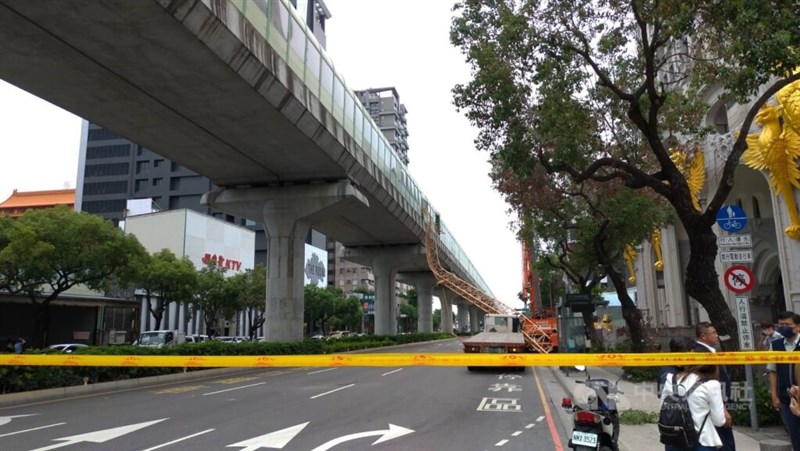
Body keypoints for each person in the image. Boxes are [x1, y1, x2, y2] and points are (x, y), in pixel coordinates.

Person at [660, 364, 727, 451]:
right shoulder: (712, 385)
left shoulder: (670, 379)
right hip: (701, 441)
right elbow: (719, 421)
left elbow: (663, 409)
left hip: (673, 439)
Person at [694, 322, 735, 451]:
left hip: (718, 403)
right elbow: (708, 383)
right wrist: (723, 409)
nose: (716, 335)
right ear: (703, 336)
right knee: (724, 442)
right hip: (715, 406)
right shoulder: (701, 353)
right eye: (713, 333)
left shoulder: (708, 351)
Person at [766, 311, 800, 450]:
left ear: (798, 326)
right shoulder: (776, 345)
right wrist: (774, 395)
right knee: (794, 434)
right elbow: (772, 371)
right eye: (781, 325)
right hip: (786, 398)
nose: (783, 328)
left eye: (787, 325)